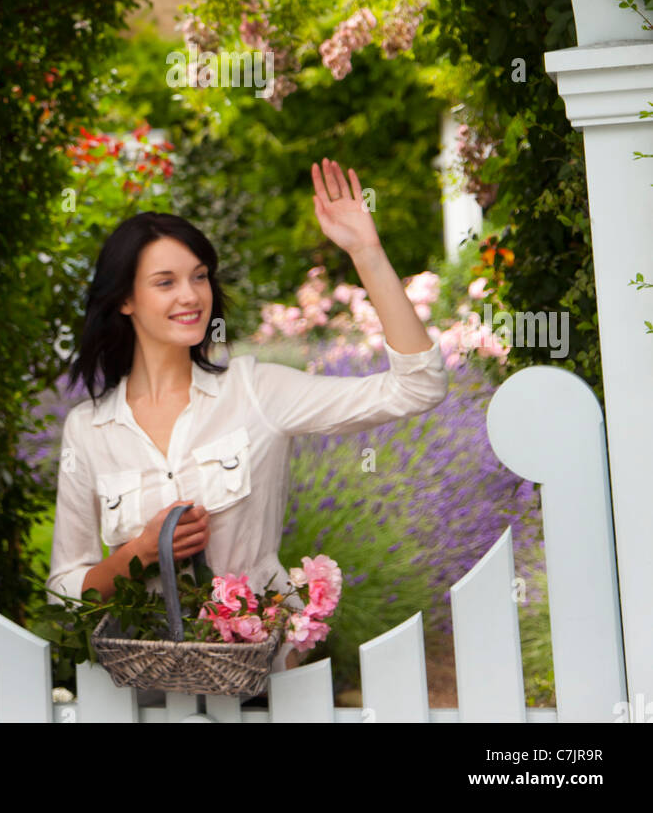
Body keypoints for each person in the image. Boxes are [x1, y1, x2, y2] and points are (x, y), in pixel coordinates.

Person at [46, 157, 449, 676]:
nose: (191, 295)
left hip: (266, 686)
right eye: (165, 282)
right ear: (125, 299)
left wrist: (366, 253)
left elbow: (417, 387)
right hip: (145, 691)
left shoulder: (256, 390)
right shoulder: (88, 429)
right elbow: (64, 588)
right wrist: (141, 553)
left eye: (199, 277)